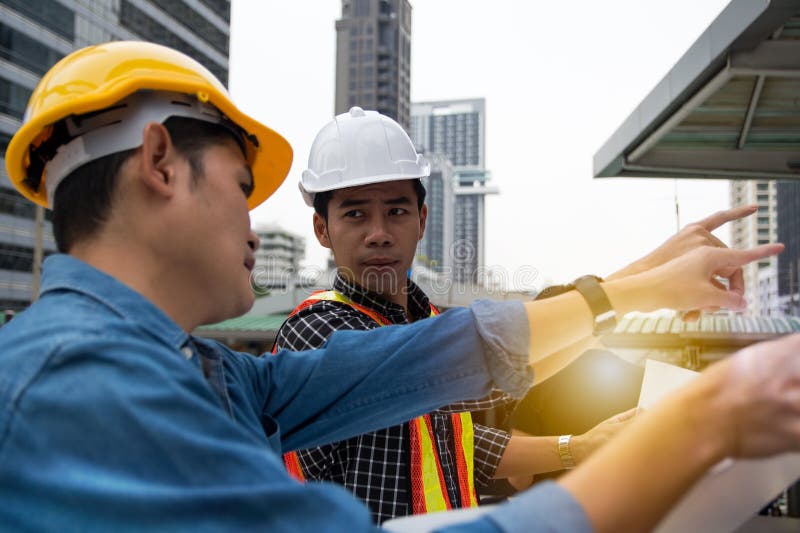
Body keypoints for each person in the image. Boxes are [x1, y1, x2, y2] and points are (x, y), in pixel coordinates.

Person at [0, 41, 796, 533]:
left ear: (421, 217)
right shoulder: (83, 391)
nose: (251, 221)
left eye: (395, 209)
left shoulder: (197, 369)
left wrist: (637, 285)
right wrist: (699, 423)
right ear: (161, 162)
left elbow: (447, 352)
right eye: (244, 184)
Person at [275, 107, 659, 522]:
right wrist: (630, 289)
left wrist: (577, 447)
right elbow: (481, 375)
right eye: (355, 214)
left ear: (422, 220)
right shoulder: (317, 332)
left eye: (397, 211)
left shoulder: (425, 323)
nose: (379, 232)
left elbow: (456, 446)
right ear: (321, 229)